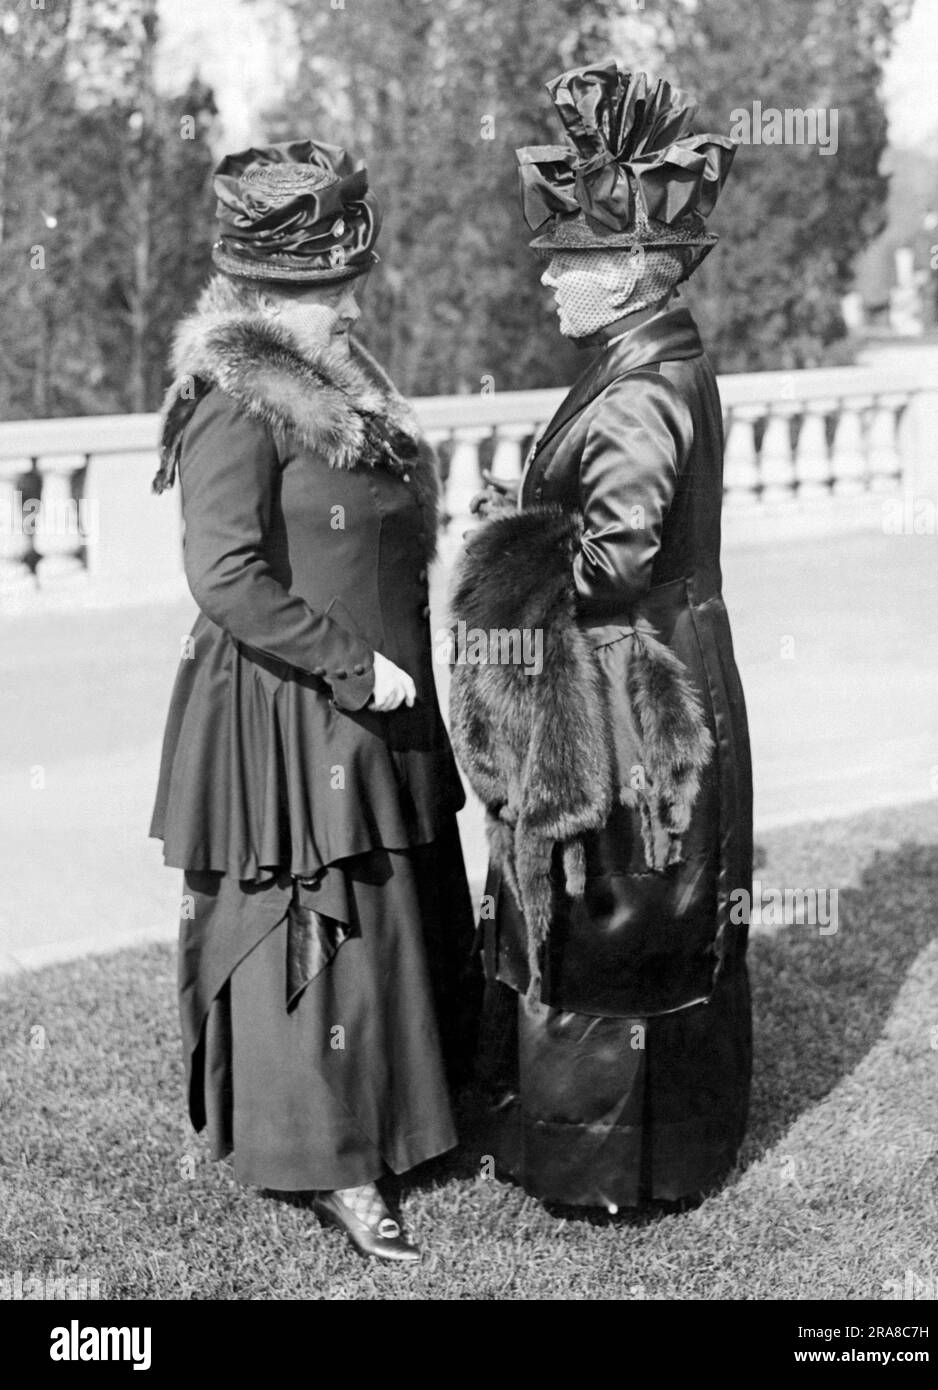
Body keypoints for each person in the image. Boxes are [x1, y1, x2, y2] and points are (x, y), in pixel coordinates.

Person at [150, 140, 477, 1262]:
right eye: (322, 293)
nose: (346, 306)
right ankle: (331, 1162)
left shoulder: (344, 377)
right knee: (316, 928)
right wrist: (351, 667)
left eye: (345, 285)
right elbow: (224, 575)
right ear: (264, 299)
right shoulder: (232, 401)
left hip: (378, 696)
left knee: (388, 917)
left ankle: (402, 1122)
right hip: (294, 705)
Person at [450, 62, 753, 1210]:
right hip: (662, 663)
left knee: (613, 902)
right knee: (640, 901)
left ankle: (609, 1163)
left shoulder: (634, 388)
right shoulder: (653, 356)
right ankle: (643, 1143)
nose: (552, 287)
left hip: (635, 688)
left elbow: (611, 564)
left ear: (628, 270)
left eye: (568, 265)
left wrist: (500, 545)